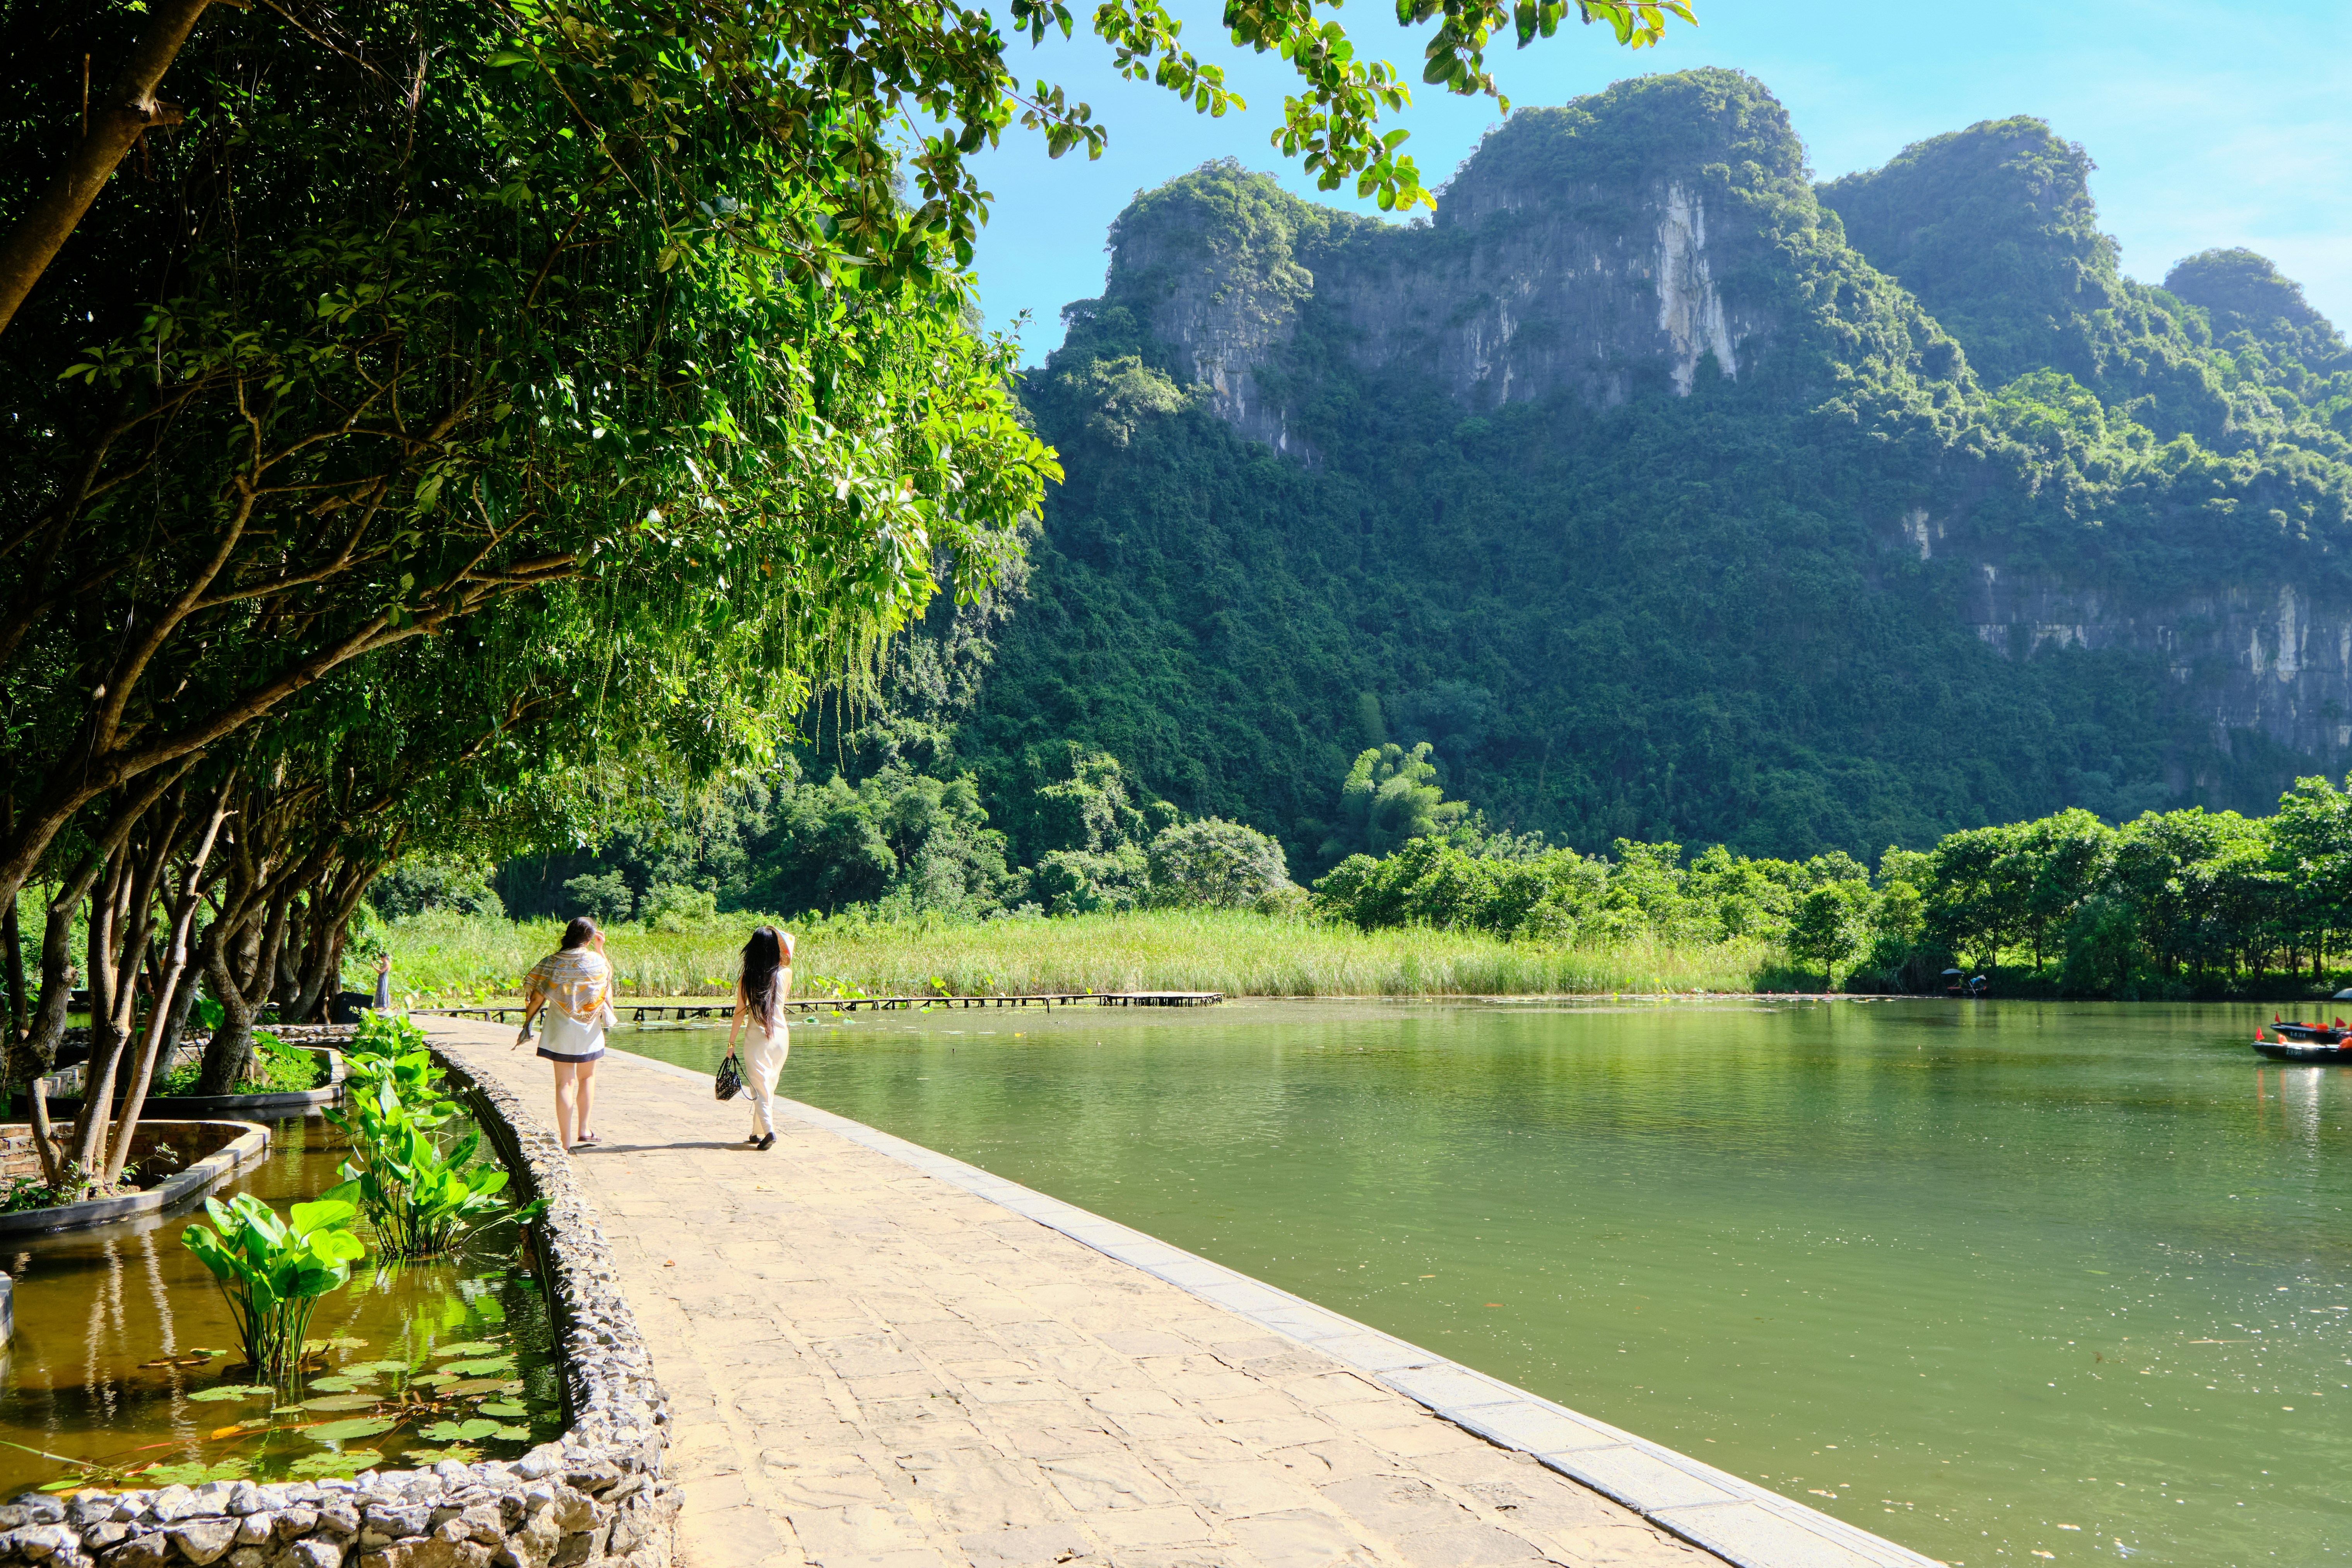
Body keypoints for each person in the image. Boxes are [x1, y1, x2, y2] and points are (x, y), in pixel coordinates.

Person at [517, 916, 617, 1150]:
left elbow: (537, 996)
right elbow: (607, 981)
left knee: (564, 1083)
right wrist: (600, 950)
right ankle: (585, 1130)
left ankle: (565, 1142)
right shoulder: (597, 961)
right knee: (587, 1078)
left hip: (559, 1028)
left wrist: (527, 1024)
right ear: (590, 938)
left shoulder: (551, 962)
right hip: (589, 1027)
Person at [725, 926, 794, 1151]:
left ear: (752, 950)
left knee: (761, 1086)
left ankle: (770, 1131)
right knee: (766, 1085)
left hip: (757, 1039)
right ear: (775, 949)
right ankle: (757, 1132)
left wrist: (731, 1044)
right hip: (781, 1036)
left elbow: (740, 1013)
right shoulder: (785, 974)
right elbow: (788, 956)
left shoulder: (747, 978)